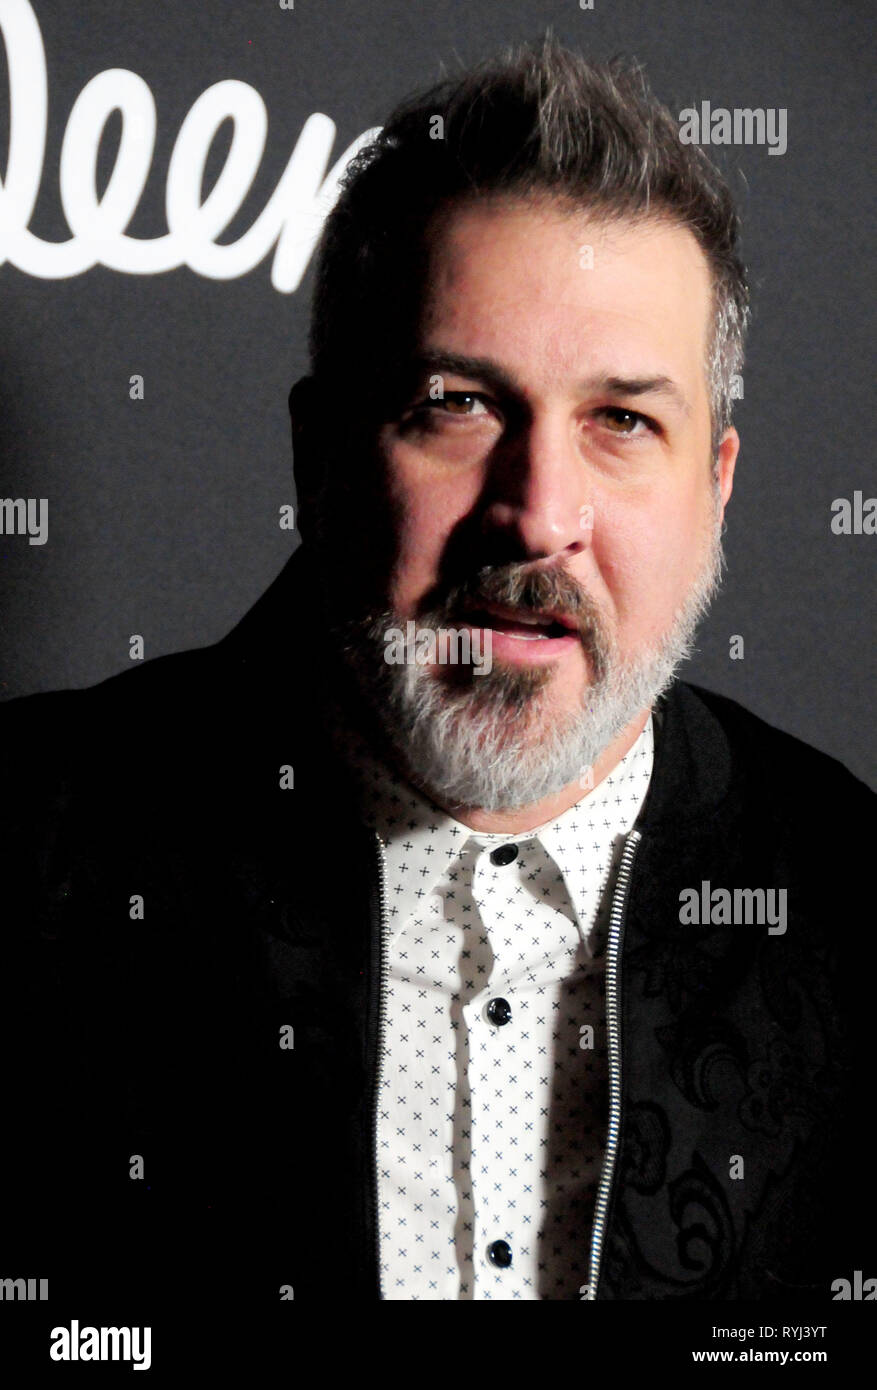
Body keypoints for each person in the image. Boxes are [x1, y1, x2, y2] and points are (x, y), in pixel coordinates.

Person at [1, 35, 873, 1305]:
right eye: (457, 404)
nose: (538, 513)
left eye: (622, 421)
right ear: (318, 458)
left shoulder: (852, 901)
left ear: (715, 490)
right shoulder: (32, 854)